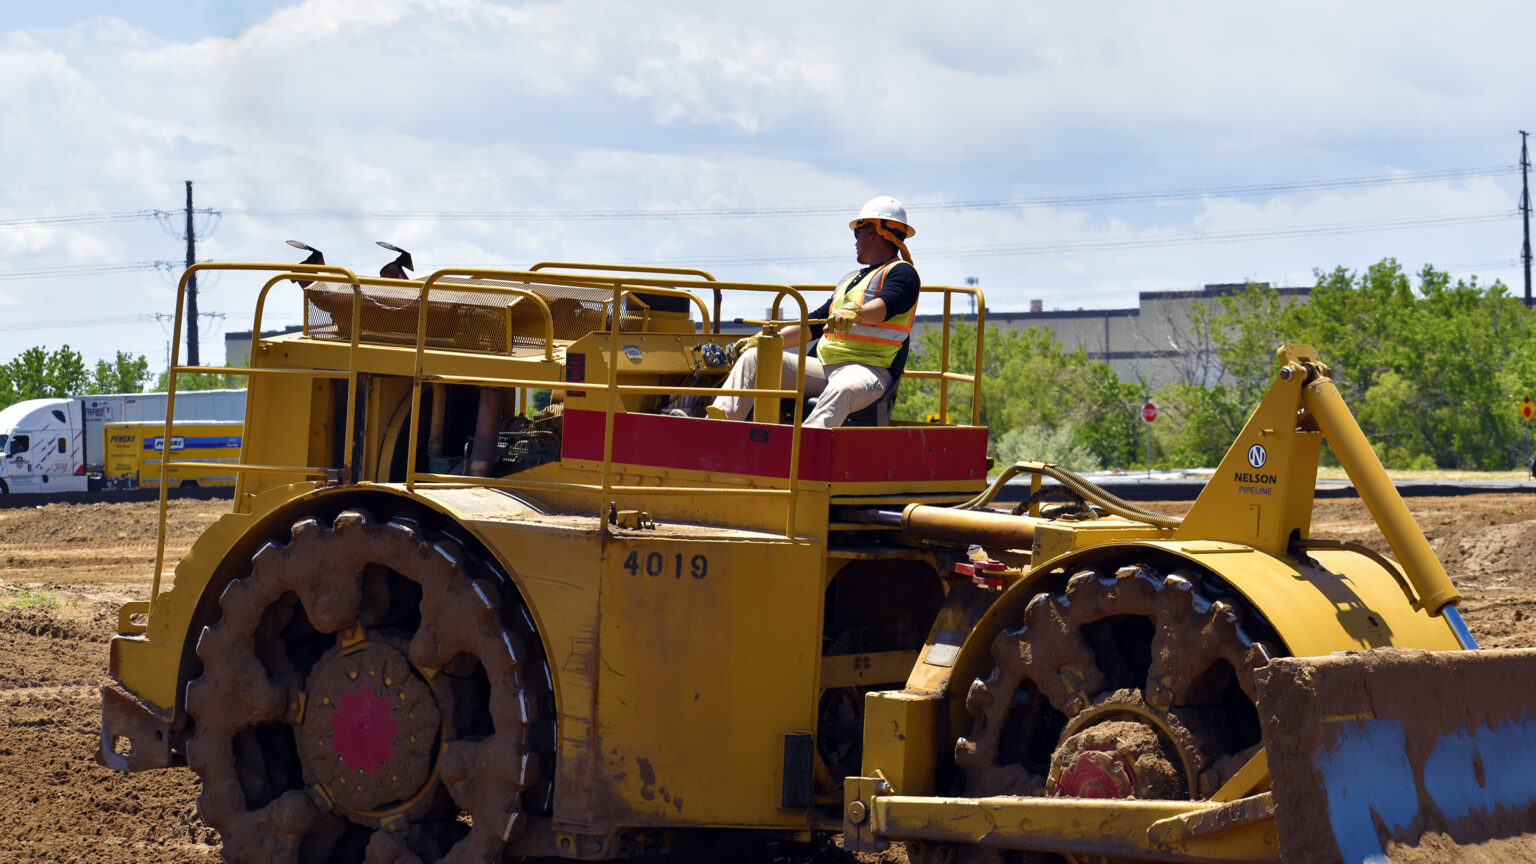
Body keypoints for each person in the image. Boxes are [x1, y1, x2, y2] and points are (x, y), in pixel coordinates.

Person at [706, 196, 920, 429]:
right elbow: (813, 325)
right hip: (825, 367)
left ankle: (803, 450)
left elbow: (887, 305)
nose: (855, 240)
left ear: (873, 231)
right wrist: (766, 340)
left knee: (842, 389)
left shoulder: (903, 273)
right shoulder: (851, 279)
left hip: (868, 370)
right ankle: (716, 428)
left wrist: (856, 312)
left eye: (857, 232)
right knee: (755, 359)